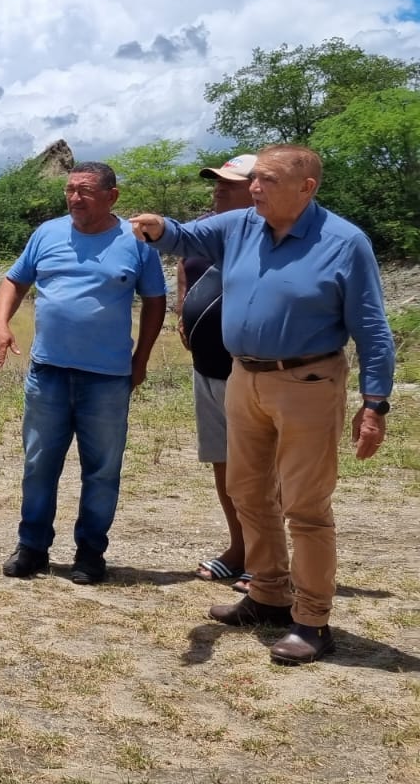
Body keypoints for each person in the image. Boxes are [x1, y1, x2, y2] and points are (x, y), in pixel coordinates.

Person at [130, 145, 394, 665]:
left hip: (308, 382)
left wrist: (375, 404)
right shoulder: (241, 225)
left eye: (268, 180)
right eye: (255, 180)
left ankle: (313, 620)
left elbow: (373, 329)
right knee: (247, 490)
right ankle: (269, 594)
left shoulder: (344, 242)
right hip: (242, 377)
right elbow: (187, 236)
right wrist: (161, 227)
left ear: (306, 187)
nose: (255, 188)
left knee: (306, 506)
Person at [0, 163, 166, 585]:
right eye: (70, 190)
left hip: (106, 378)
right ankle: (32, 547)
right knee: (38, 464)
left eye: (85, 190)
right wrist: (0, 324)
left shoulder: (136, 241)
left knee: (102, 470)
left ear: (112, 196)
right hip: (47, 372)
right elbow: (14, 281)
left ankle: (90, 553)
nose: (74, 198)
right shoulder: (47, 234)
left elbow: (156, 301)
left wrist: (140, 359)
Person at [179, 153, 256, 585]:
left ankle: (267, 558)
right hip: (206, 367)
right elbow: (185, 269)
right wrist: (183, 305)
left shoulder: (269, 235)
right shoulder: (202, 230)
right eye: (217, 182)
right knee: (223, 462)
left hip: (251, 372)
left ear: (258, 189)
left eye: (229, 184)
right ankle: (239, 547)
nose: (218, 189)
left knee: (260, 468)